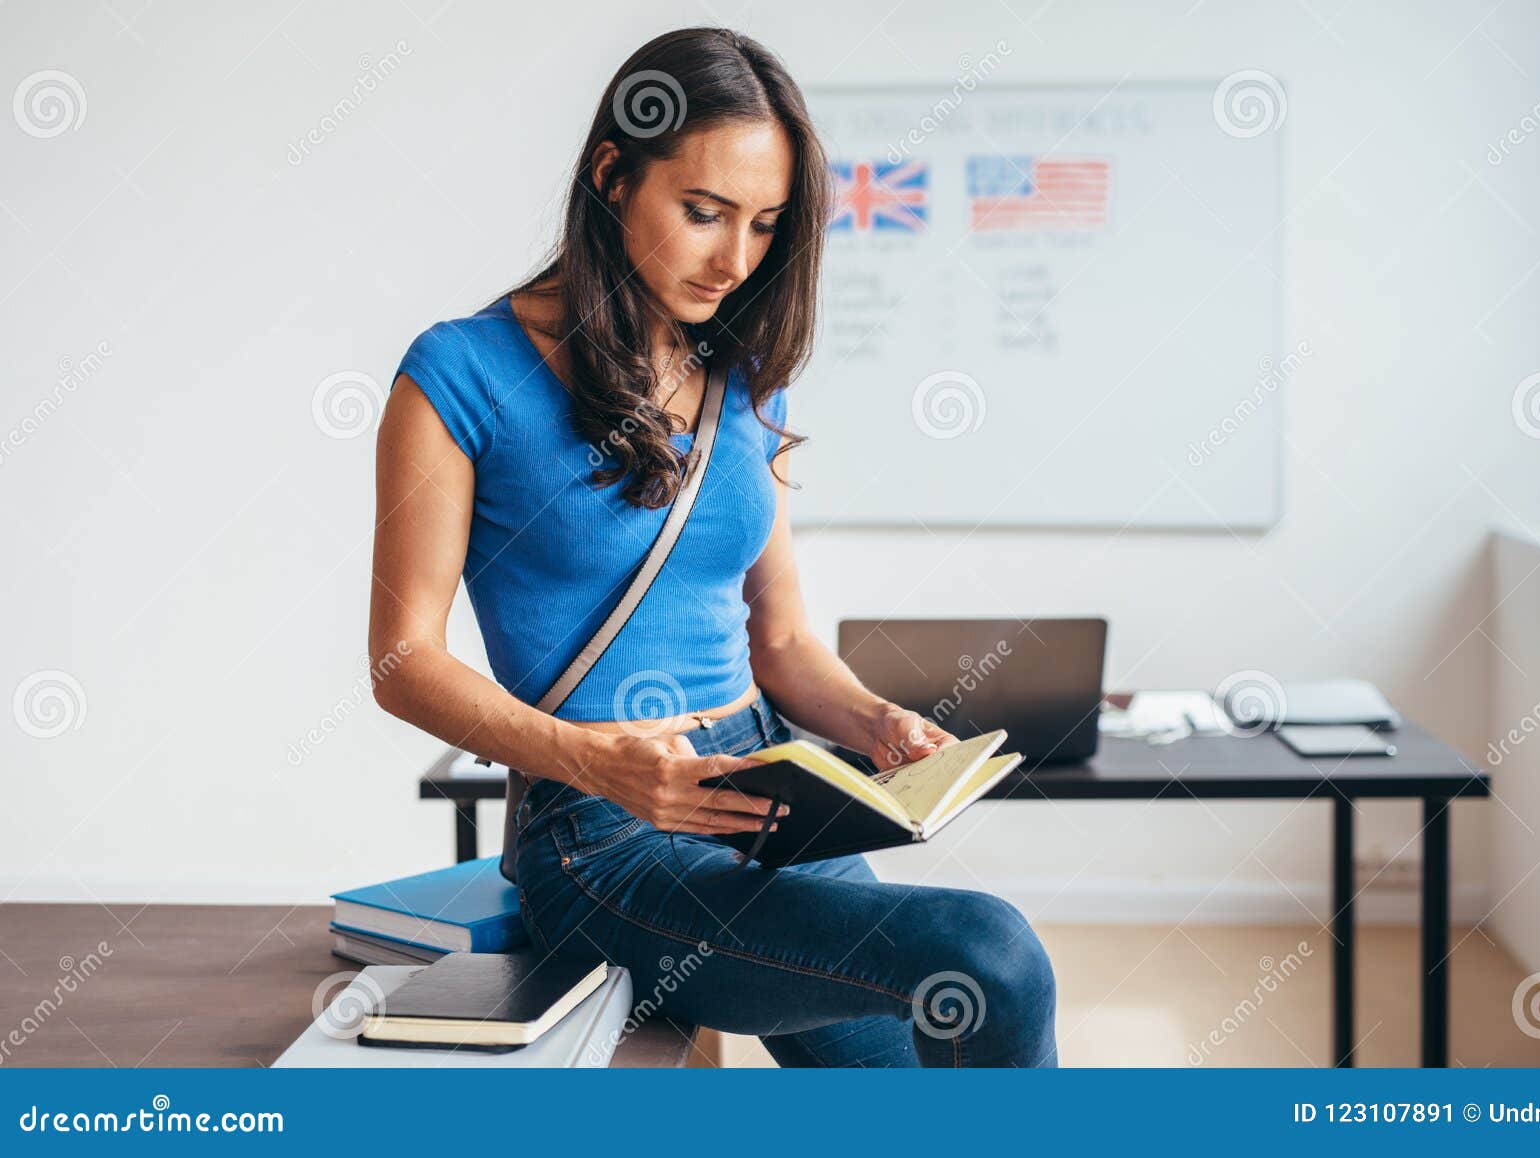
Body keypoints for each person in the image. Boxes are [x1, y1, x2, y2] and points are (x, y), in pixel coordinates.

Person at [369, 26, 1056, 1067]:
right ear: (612, 174)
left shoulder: (745, 379)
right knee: (991, 949)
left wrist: (875, 726)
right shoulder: (458, 372)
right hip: (603, 835)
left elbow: (780, 643)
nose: (735, 260)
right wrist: (592, 761)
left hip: (776, 796)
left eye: (765, 225)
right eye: (703, 212)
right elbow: (400, 661)